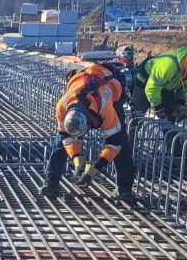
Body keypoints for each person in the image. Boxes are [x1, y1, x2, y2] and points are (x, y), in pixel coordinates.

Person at [41, 62, 142, 206]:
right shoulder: (61, 107)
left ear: (89, 124)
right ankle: (51, 182)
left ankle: (124, 188)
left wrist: (94, 169)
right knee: (60, 139)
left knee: (121, 141)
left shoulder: (105, 110)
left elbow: (114, 144)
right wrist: (77, 159)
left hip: (112, 90)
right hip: (82, 79)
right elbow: (66, 137)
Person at [131, 46, 187, 121]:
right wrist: (158, 108)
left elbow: (185, 89)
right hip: (145, 82)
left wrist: (179, 104)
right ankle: (130, 137)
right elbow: (151, 88)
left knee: (170, 119)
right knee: (137, 116)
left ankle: (172, 139)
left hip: (166, 87)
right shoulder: (170, 65)